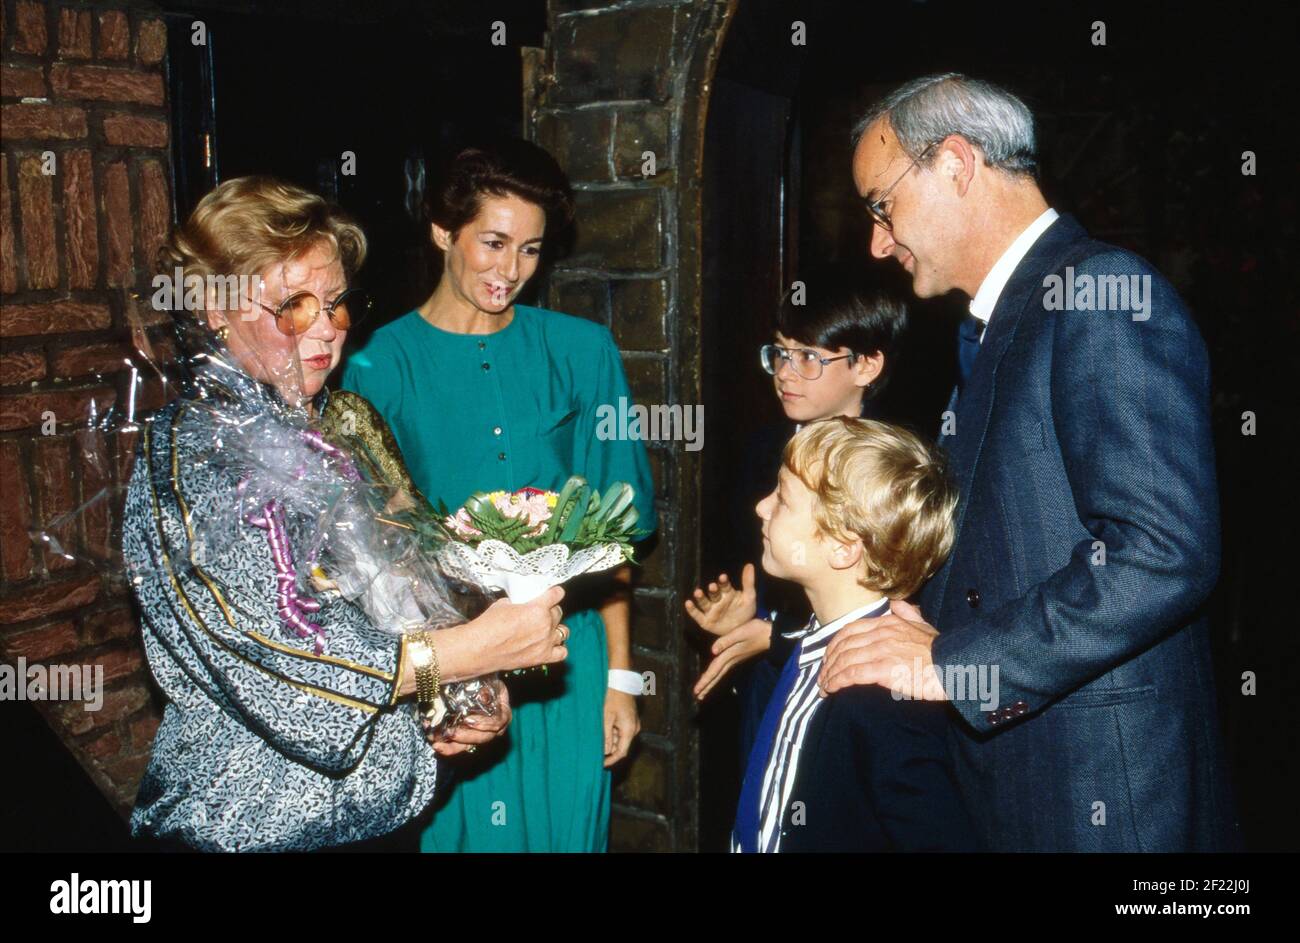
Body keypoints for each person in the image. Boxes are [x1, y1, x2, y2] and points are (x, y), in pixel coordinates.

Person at [820, 73, 1239, 851]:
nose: (878, 240)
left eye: (882, 205)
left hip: (1106, 797)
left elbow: (1165, 552)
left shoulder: (1102, 294)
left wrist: (955, 664)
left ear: (955, 162)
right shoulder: (1002, 322)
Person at [122, 176, 568, 852]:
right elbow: (289, 672)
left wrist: (453, 699)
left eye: (335, 303)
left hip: (373, 826)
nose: (328, 328)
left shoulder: (333, 429)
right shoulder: (195, 457)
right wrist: (465, 653)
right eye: (293, 306)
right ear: (213, 307)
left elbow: (394, 603)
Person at [342, 140, 656, 852]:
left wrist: (624, 677)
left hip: (568, 666)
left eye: (530, 250)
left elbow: (613, 535)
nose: (510, 270)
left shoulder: (582, 353)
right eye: (493, 242)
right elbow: (371, 560)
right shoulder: (374, 367)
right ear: (441, 230)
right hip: (458, 675)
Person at [688, 417, 975, 851]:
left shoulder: (883, 703)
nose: (761, 507)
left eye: (783, 498)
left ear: (843, 548)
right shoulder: (808, 642)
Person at [689, 268, 907, 701]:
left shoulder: (893, 471)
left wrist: (777, 637)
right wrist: (743, 613)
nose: (785, 373)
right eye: (780, 353)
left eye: (809, 357)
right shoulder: (762, 449)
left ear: (866, 365)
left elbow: (894, 611)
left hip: (850, 684)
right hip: (767, 683)